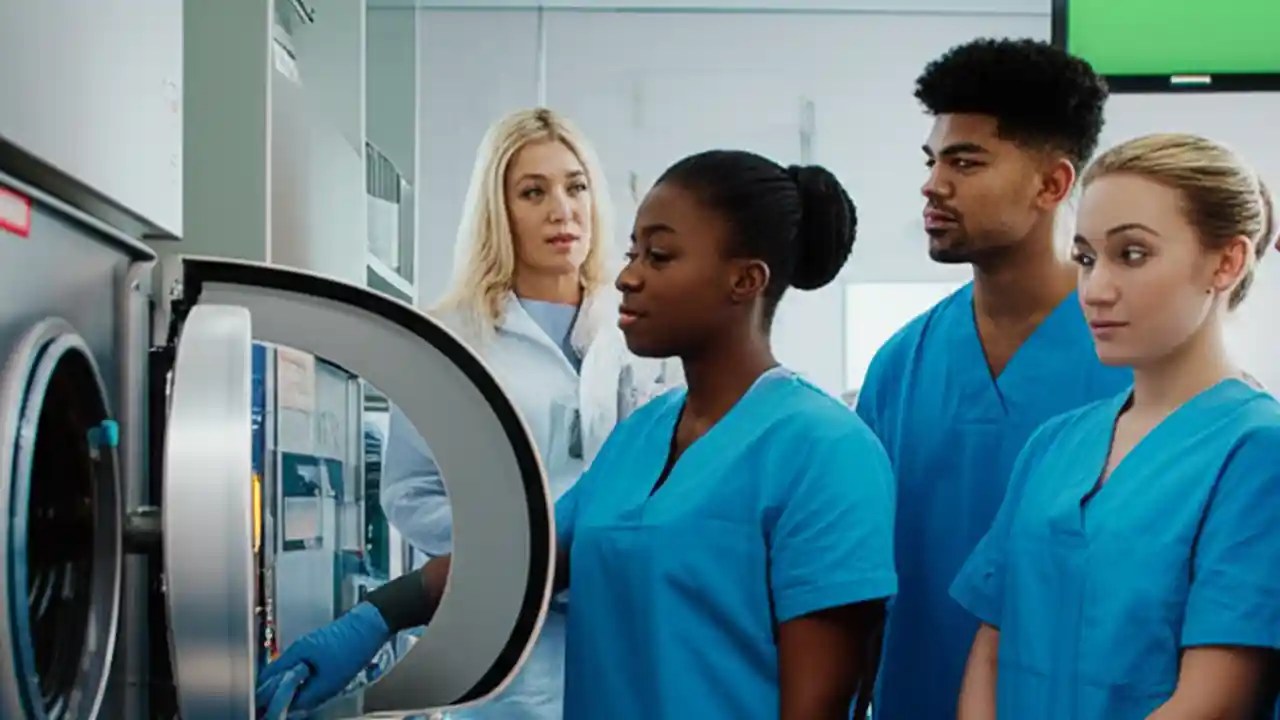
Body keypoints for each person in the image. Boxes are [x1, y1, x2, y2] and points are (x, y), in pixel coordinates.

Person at [259, 148, 898, 720]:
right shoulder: (642, 437)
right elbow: (520, 561)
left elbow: (818, 705)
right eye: (632, 253)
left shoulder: (825, 451)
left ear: (746, 280)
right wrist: (374, 618)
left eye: (660, 256)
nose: (627, 276)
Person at [261, 107, 678, 718]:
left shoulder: (639, 333)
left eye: (576, 186)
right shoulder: (451, 339)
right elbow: (410, 492)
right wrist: (515, 551)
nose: (562, 210)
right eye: (533, 192)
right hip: (506, 651)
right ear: (498, 211)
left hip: (625, 629)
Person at [951, 132, 1280, 719]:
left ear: (1227, 262)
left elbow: (1215, 699)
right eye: (1085, 258)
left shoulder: (1256, 451)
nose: (1095, 290)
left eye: (1132, 254)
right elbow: (991, 647)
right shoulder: (1054, 444)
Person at [854, 38, 1133, 719]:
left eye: (965, 161)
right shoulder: (901, 364)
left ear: (1052, 184)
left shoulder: (1132, 363)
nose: (933, 184)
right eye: (931, 161)